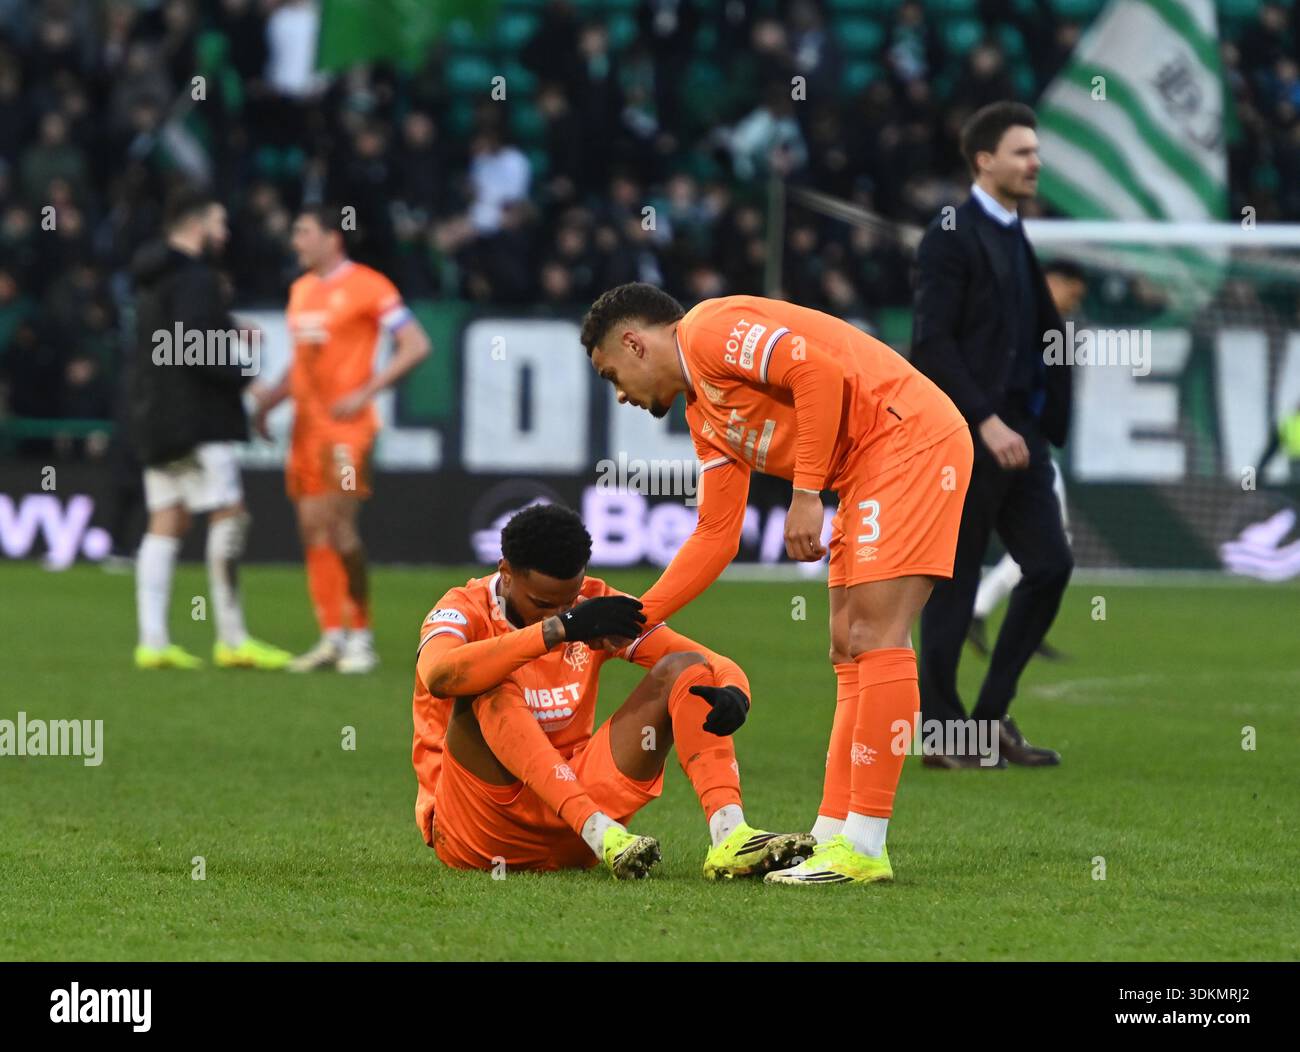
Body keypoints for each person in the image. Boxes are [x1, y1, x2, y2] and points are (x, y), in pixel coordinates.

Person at [582, 282, 972, 886]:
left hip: (907, 441)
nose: (621, 395)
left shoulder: (708, 330)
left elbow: (816, 372)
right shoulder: (702, 411)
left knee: (876, 634)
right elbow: (716, 533)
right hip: (870, 465)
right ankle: (833, 833)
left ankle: (865, 844)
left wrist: (807, 492)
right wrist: (636, 614)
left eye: (612, 375)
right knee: (848, 646)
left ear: (634, 343)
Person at [413, 503, 814, 879]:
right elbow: (438, 674)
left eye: (567, 601)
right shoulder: (463, 608)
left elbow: (705, 660)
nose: (556, 611)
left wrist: (735, 691)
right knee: (487, 685)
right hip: (480, 830)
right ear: (506, 571)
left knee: (685, 670)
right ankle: (597, 828)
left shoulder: (593, 604)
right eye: (541, 603)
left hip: (579, 832)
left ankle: (730, 834)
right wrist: (558, 629)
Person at [910, 101, 1073, 768]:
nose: (1035, 162)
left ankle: (988, 718)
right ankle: (943, 735)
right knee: (952, 581)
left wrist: (1039, 423)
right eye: (1022, 151)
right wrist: (984, 418)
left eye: (1036, 151)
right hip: (966, 434)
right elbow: (931, 343)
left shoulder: (1013, 233)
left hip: (1021, 436)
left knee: (1051, 567)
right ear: (984, 160)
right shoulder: (950, 233)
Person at [250, 205, 432, 674]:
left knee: (340, 527)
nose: (296, 242)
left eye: (303, 232)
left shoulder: (370, 286)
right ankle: (332, 636)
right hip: (306, 430)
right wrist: (270, 402)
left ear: (333, 237)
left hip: (348, 430)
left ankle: (363, 636)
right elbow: (302, 363)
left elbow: (416, 344)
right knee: (312, 529)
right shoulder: (301, 291)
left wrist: (367, 390)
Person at [128, 187, 292, 671]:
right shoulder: (197, 278)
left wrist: (225, 328)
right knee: (229, 513)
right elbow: (192, 344)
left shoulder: (152, 277)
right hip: (196, 420)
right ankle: (232, 637)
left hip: (154, 417)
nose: (224, 234)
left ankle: (152, 642)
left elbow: (171, 341)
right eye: (219, 223)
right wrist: (249, 381)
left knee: (168, 518)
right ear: (197, 225)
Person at [967, 259, 1086, 661]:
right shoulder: (1022, 325)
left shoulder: (1042, 327)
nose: (1073, 301)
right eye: (1072, 290)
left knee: (1048, 543)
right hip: (1015, 448)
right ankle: (994, 615)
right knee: (1050, 543)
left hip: (1027, 447)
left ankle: (996, 614)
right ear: (1054, 281)